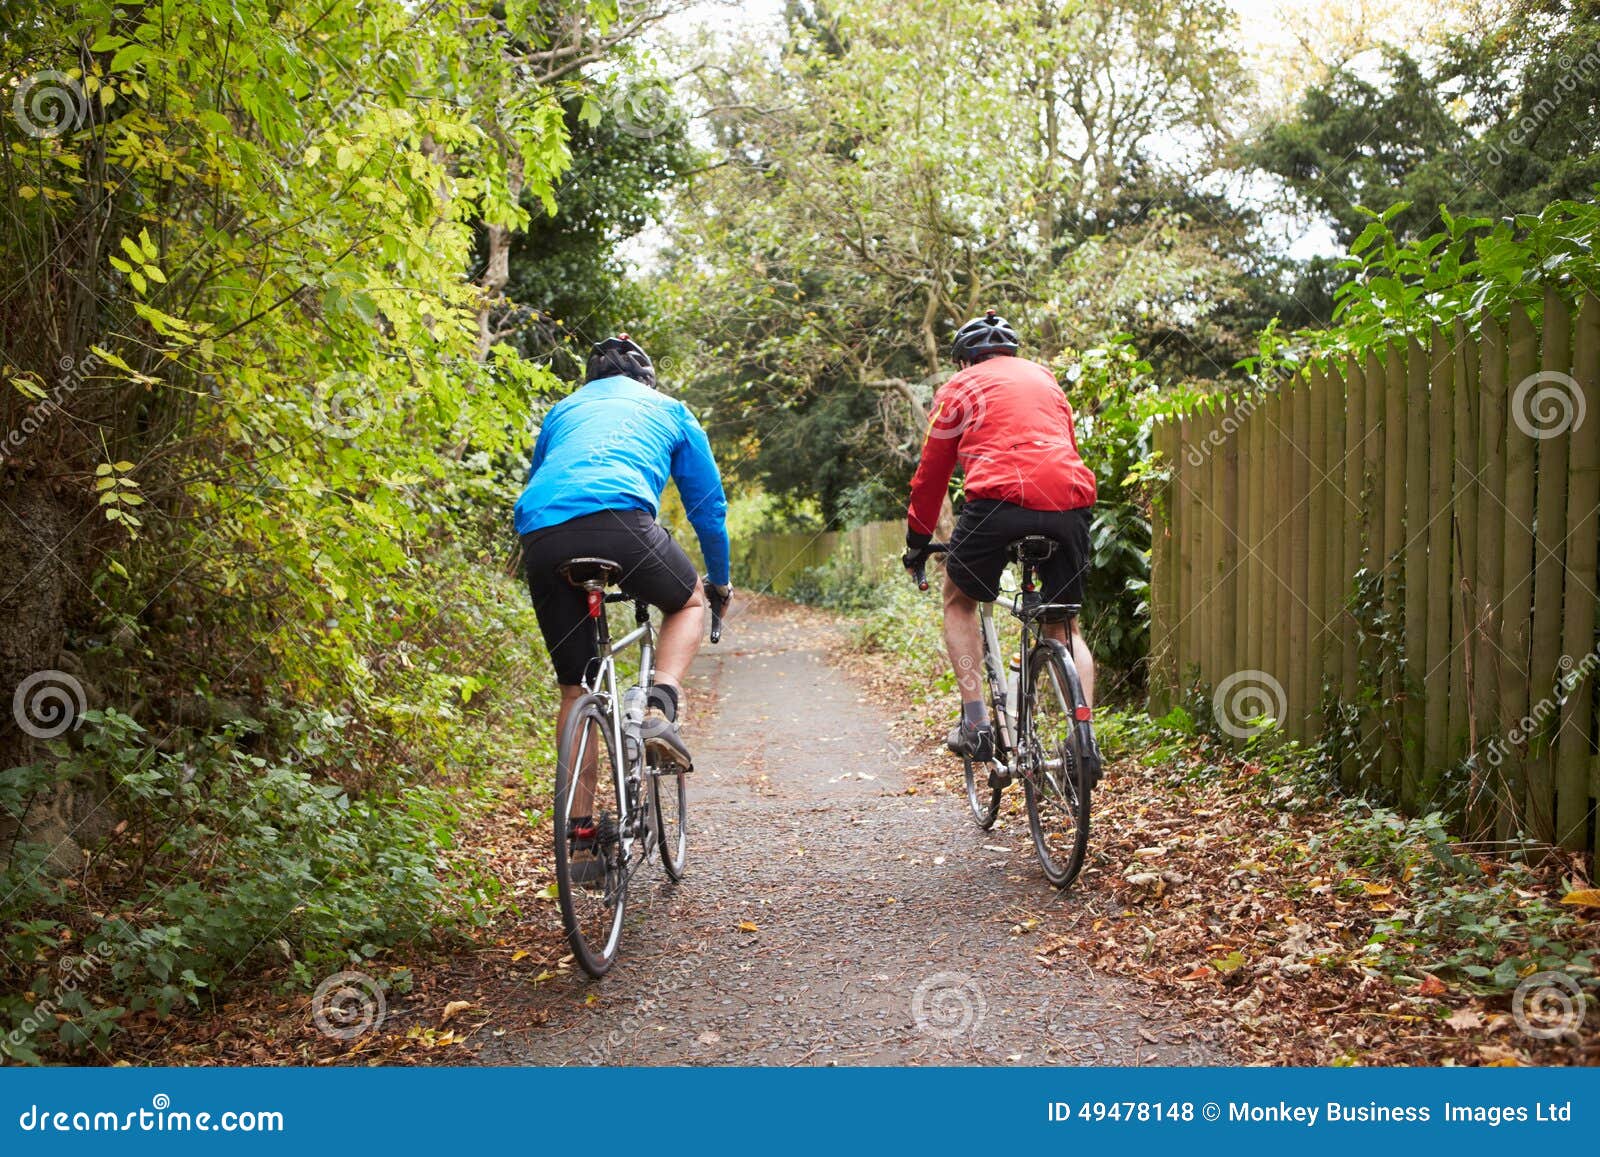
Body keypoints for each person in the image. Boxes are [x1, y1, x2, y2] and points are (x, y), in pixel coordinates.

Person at [515, 334, 732, 783]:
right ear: (647, 380)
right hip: (621, 523)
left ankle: (579, 836)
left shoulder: (562, 410)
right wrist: (720, 582)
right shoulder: (671, 409)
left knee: (575, 691)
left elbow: (540, 481)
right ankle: (657, 710)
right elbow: (708, 508)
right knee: (689, 600)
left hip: (542, 536)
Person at [901, 310, 1103, 781]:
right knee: (1064, 623)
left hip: (996, 503)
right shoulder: (1047, 381)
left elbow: (931, 476)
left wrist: (917, 541)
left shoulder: (958, 388)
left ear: (963, 360)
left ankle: (977, 723)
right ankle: (1083, 739)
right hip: (1067, 501)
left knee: (959, 600)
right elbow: (1064, 446)